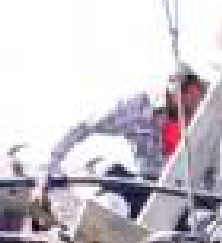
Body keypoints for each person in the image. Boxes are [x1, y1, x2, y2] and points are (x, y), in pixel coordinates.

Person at [47, 63, 209, 186]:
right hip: (151, 187)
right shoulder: (137, 109)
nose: (197, 106)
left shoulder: (198, 120)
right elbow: (84, 126)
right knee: (110, 171)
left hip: (186, 191)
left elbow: (210, 159)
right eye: (193, 99)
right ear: (176, 93)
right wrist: (52, 164)